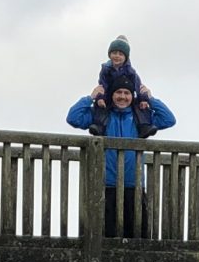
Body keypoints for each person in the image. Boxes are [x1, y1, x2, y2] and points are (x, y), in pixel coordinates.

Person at [66, 38, 176, 236]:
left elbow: (169, 120)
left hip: (134, 185)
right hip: (106, 185)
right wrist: (90, 97)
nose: (122, 96)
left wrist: (149, 99)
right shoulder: (102, 115)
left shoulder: (140, 117)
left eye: (126, 93)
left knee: (137, 238)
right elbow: (73, 118)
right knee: (106, 238)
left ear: (132, 96)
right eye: (118, 93)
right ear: (112, 95)